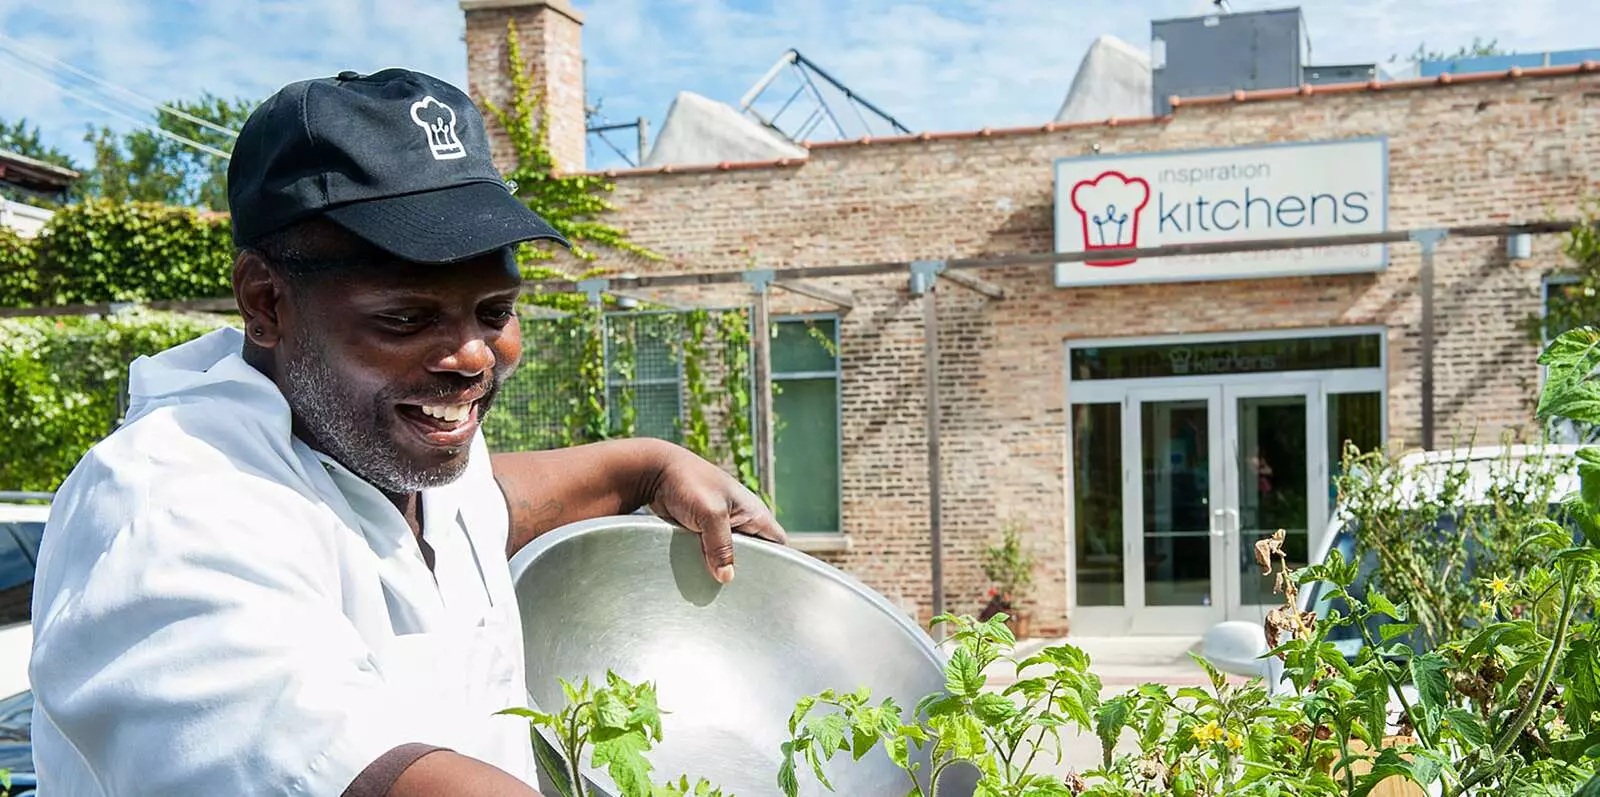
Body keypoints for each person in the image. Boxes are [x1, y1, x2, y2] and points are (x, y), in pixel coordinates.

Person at [28, 68, 785, 796]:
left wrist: (647, 467)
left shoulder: (379, 449)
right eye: (405, 317)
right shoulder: (166, 510)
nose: (471, 356)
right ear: (265, 301)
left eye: (494, 310)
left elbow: (488, 507)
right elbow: (350, 773)